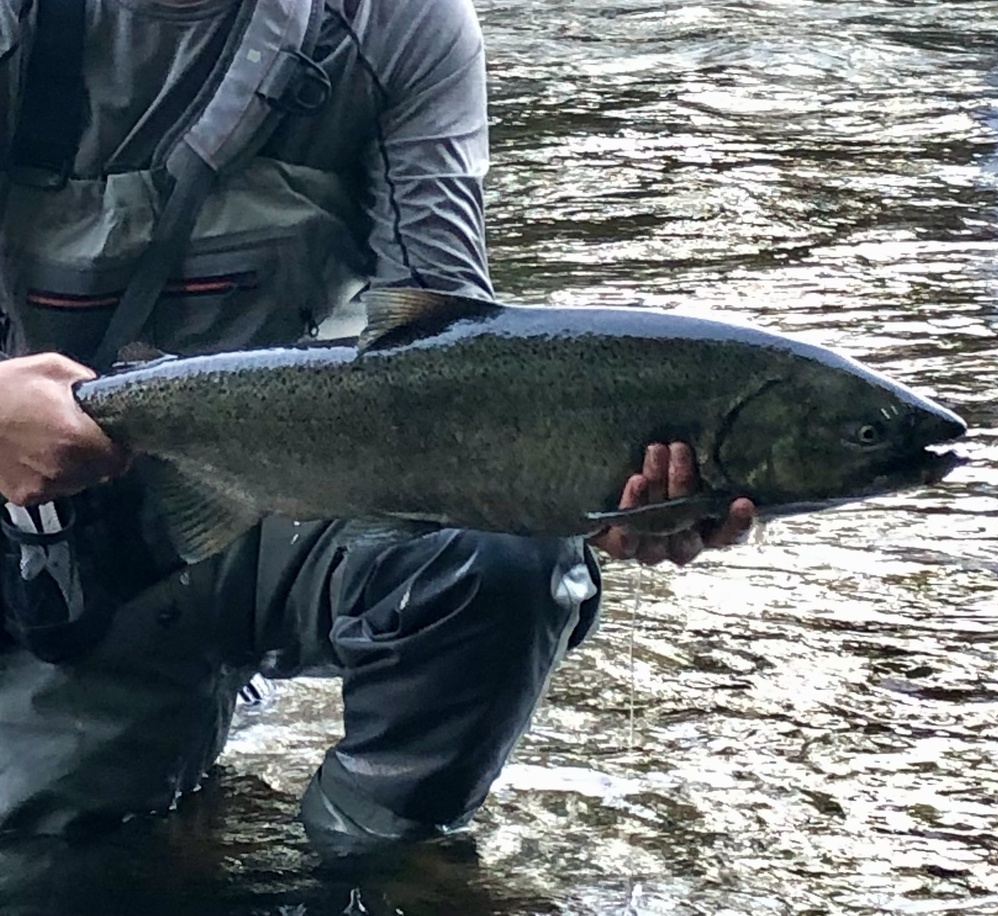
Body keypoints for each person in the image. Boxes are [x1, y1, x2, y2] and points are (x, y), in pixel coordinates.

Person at [0, 0, 753, 857]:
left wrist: (575, 486)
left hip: (267, 503)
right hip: (26, 536)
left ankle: (380, 868)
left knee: (503, 552)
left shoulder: (395, 23)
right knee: (47, 872)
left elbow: (446, 357)